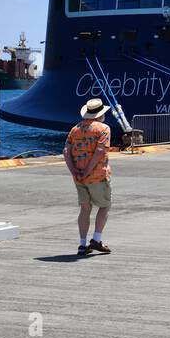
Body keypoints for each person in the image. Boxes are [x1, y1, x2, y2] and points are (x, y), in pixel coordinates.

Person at [64, 98, 113, 256]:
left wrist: (75, 172)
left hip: (78, 177)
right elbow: (99, 151)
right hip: (97, 175)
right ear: (100, 115)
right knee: (104, 206)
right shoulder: (104, 129)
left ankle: (82, 244)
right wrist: (87, 171)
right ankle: (97, 239)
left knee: (85, 209)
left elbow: (66, 151)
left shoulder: (75, 129)